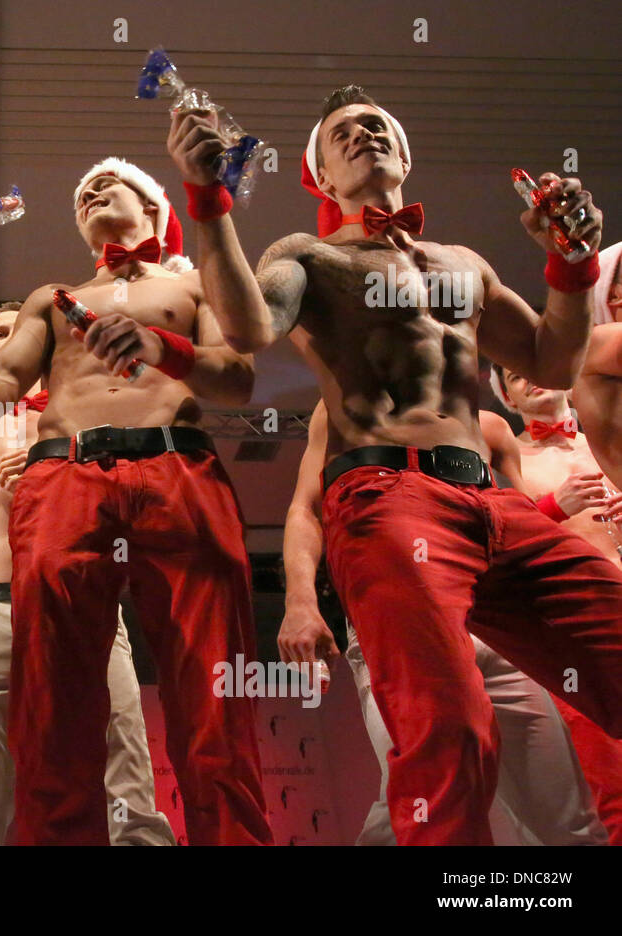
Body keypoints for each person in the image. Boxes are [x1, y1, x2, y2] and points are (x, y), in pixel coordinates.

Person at [194, 82, 622, 844]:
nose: (362, 135)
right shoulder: (308, 255)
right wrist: (208, 203)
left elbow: (553, 363)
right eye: (342, 134)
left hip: (493, 501)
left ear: (406, 153)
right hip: (386, 492)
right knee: (449, 731)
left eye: (376, 125)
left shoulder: (463, 260)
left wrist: (571, 263)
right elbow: (248, 327)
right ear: (322, 177)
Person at [0, 156, 271, 846]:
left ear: (156, 207)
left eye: (109, 181)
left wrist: (162, 346)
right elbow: (1, 378)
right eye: (81, 190)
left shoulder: (195, 285)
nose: (91, 188)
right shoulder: (52, 298)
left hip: (176, 465)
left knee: (216, 696)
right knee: (55, 711)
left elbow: (237, 381)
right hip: (65, 475)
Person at [0, 194, 173, 844]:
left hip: (87, 604)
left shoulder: (88, 423)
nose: (7, 344)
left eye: (16, 333)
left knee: (126, 788)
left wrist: (63, 468)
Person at [281, 400, 609, 845]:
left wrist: (556, 512)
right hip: (400, 619)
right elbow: (306, 507)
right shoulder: (345, 401)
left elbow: (524, 518)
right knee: (425, 791)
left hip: (496, 629)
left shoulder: (489, 426)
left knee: (565, 814)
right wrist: (300, 602)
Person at [487, 365, 622, 843]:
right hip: (577, 631)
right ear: (508, 398)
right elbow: (497, 546)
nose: (529, 377)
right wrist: (552, 508)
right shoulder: (505, 457)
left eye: (536, 368)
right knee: (611, 777)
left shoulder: (610, 441)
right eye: (515, 376)